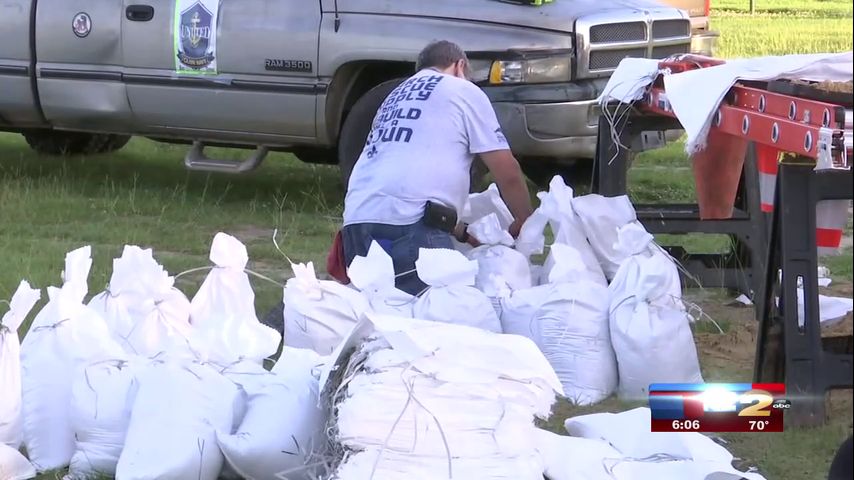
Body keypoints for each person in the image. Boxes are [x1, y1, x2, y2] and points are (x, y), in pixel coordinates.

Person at [341, 40, 533, 296]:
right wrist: (526, 221)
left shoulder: (394, 97)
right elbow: (506, 169)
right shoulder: (462, 90)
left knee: (377, 321)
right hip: (409, 228)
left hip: (356, 224)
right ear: (459, 66)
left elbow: (409, 179)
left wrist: (463, 233)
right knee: (435, 320)